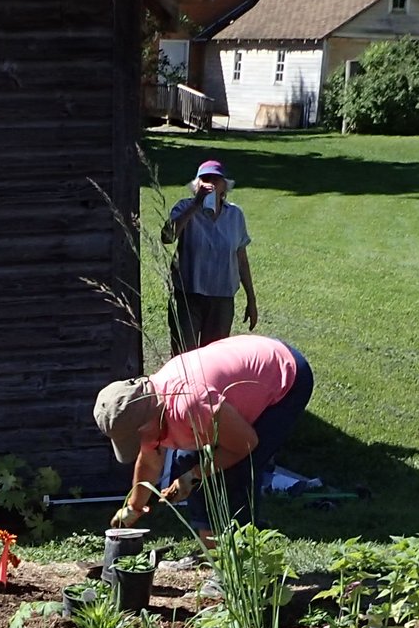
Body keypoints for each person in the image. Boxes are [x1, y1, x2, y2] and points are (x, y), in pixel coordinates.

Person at [93, 333, 316, 529]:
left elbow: (245, 444)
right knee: (189, 463)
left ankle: (236, 557)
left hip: (283, 374)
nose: (140, 442)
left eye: (137, 437)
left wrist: (193, 476)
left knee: (237, 469)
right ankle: (209, 552)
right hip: (231, 388)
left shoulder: (190, 404)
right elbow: (150, 460)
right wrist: (133, 508)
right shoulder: (147, 407)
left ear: (146, 420)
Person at [160, 159, 257, 350]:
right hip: (188, 295)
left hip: (221, 298)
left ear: (225, 187)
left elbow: (241, 259)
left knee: (213, 358)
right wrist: (195, 205)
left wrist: (251, 300)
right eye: (205, 178)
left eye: (216, 179)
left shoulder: (235, 215)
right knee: (183, 356)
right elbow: (167, 237)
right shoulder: (183, 208)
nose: (210, 183)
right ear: (196, 184)